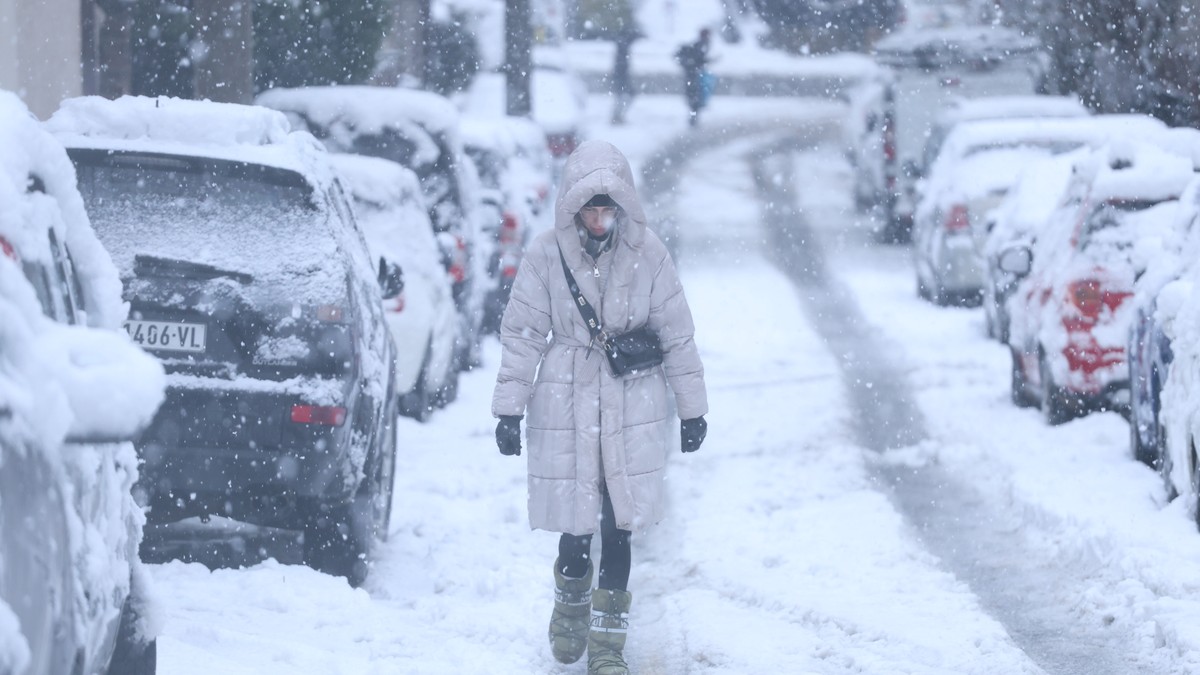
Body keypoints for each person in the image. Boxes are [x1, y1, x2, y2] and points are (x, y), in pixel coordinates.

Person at [492, 140, 708, 675]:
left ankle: (609, 644)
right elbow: (523, 334)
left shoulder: (648, 253)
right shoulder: (546, 254)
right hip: (565, 401)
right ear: (573, 205)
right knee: (575, 526)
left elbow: (677, 334)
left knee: (618, 525)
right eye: (589, 208)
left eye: (607, 208)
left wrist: (692, 410)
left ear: (621, 206)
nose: (598, 218)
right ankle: (570, 609)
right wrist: (508, 410)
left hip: (632, 401)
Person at [675, 28, 713, 127]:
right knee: (695, 97)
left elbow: (698, 59)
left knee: (694, 97)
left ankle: (693, 117)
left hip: (693, 74)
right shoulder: (700, 45)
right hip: (694, 75)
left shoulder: (700, 45)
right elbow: (699, 59)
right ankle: (693, 118)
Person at [610, 26, 640, 125]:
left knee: (622, 96)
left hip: (621, 74)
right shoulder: (622, 44)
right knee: (624, 96)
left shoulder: (621, 43)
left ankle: (617, 116)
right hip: (621, 75)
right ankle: (617, 117)